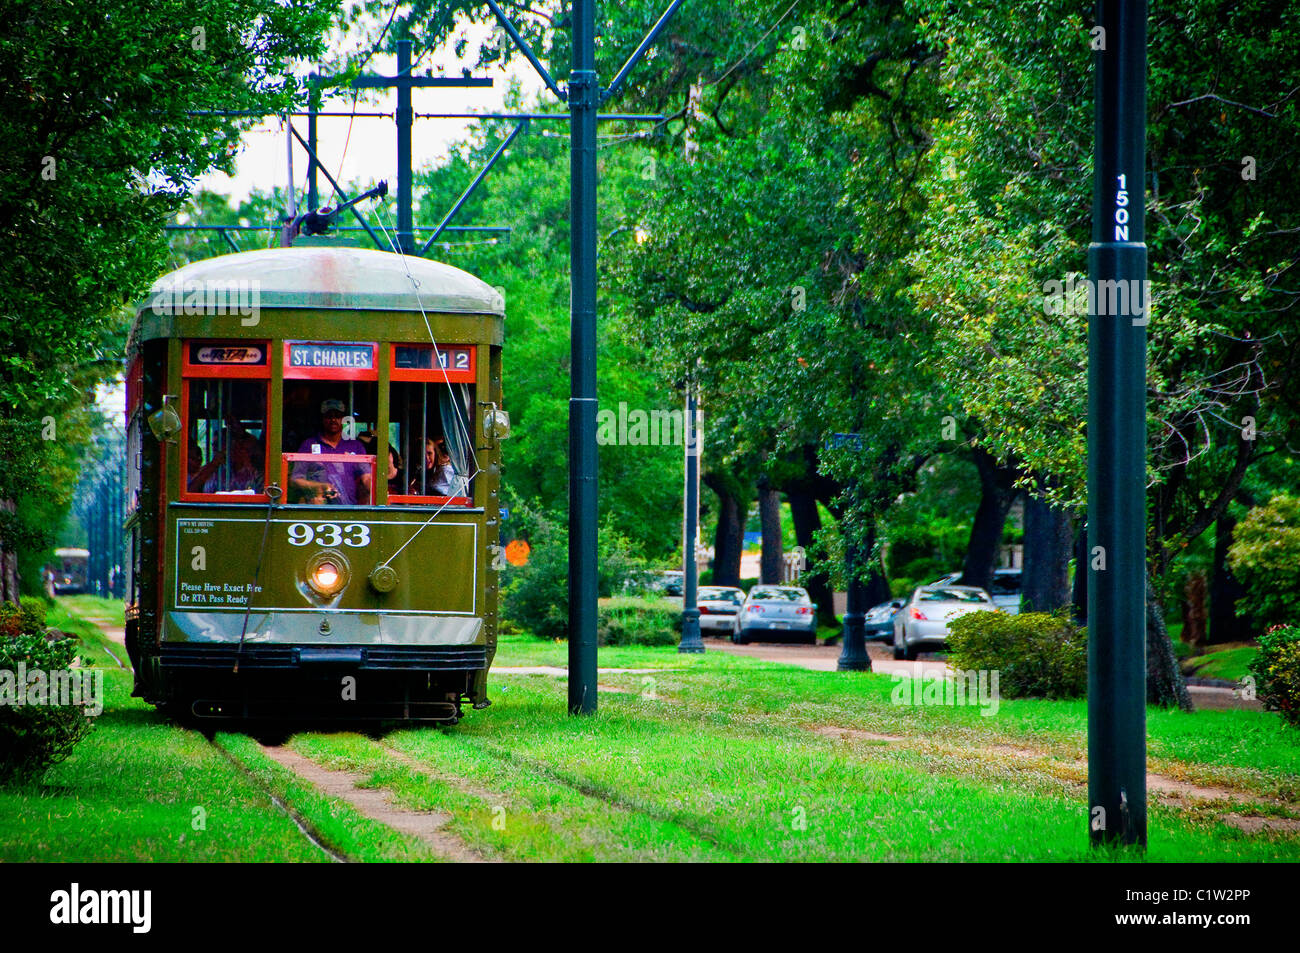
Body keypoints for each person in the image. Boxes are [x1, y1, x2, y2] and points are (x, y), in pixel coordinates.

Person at [290, 399, 374, 504]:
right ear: (322, 419)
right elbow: (295, 480)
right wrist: (320, 487)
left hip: (350, 511)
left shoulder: (355, 446)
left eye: (337, 416)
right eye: (329, 416)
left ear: (343, 419)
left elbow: (366, 477)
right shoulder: (308, 445)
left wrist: (378, 492)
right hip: (318, 510)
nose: (333, 419)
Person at [198, 435, 264, 493]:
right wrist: (213, 464)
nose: (214, 448)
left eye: (218, 444)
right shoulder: (213, 472)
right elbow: (194, 491)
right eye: (214, 445)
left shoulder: (255, 474)